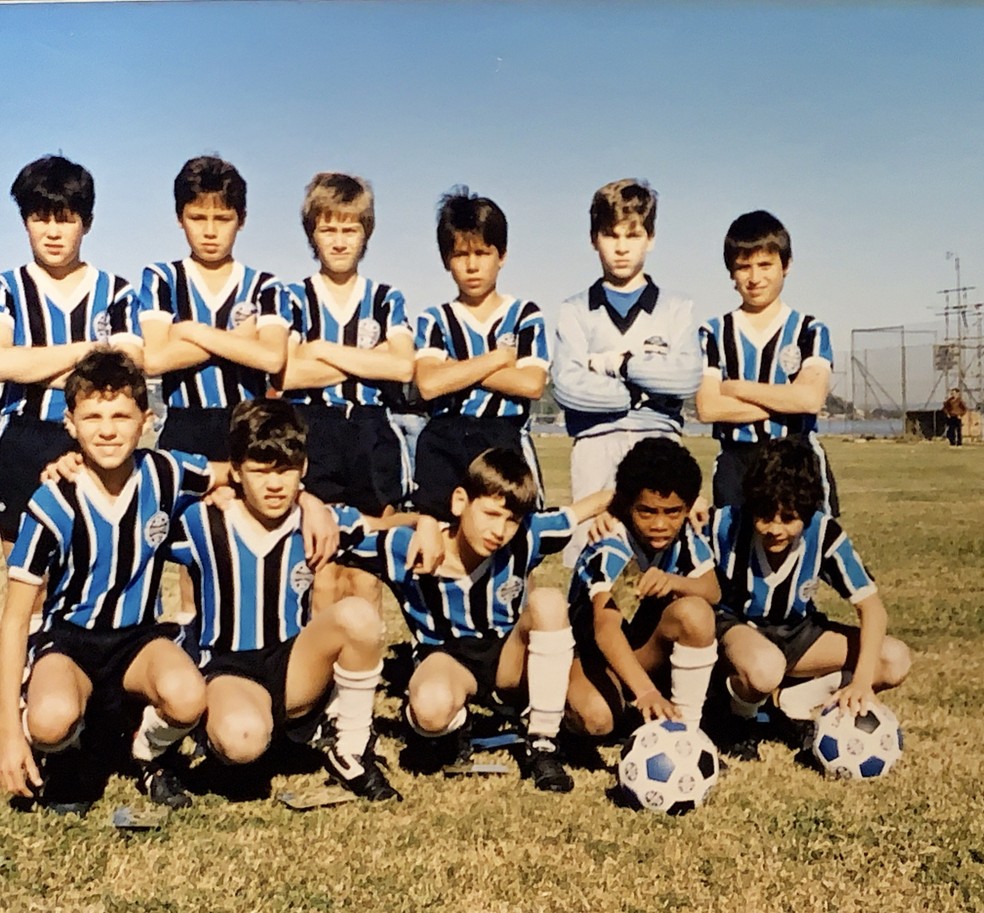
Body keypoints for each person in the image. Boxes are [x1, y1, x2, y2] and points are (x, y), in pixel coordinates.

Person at [0, 351, 211, 814]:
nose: (108, 429)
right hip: (70, 643)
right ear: (70, 424)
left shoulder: (167, 472)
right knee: (51, 720)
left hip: (137, 639)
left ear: (146, 420)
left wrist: (311, 503)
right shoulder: (52, 500)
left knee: (189, 696)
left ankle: (148, 753)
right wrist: (8, 736)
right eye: (93, 416)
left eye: (121, 415)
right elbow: (14, 621)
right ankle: (71, 750)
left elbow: (233, 474)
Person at [168, 400, 400, 800]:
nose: (275, 484)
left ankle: (351, 747)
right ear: (236, 470)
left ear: (304, 469)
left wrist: (428, 523)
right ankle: (217, 733)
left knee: (358, 616)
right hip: (228, 667)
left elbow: (388, 530)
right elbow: (147, 478)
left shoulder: (317, 522)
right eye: (259, 471)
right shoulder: (201, 519)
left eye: (286, 471)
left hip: (294, 668)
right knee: (242, 741)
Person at [341, 448, 611, 793]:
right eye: (490, 513)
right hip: (446, 658)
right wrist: (417, 519)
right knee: (430, 710)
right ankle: (458, 726)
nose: (499, 530)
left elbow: (592, 506)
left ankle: (542, 741)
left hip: (508, 658)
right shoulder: (407, 547)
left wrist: (650, 501)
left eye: (511, 519)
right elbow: (338, 529)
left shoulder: (528, 535)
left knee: (549, 603)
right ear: (459, 502)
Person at [709, 438, 911, 759]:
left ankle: (790, 704)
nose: (775, 529)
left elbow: (871, 608)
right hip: (737, 632)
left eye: (788, 518)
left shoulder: (824, 534)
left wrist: (861, 683)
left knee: (893, 659)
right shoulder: (725, 524)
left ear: (807, 511)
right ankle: (739, 719)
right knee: (765, 668)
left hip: (796, 635)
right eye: (764, 516)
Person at [279, 172, 414, 605]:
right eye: (328, 229)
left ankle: (362, 672)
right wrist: (363, 361)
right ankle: (321, 668)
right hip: (313, 428)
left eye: (350, 229)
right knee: (323, 563)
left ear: (365, 232)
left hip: (371, 432)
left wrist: (320, 350)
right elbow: (289, 375)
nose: (339, 241)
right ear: (312, 234)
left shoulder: (386, 298)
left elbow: (402, 366)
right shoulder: (293, 297)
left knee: (365, 571)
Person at [552, 179, 702, 566]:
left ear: (650, 238)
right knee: (595, 564)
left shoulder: (677, 307)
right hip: (595, 444)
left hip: (660, 442)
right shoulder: (574, 310)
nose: (621, 246)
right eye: (610, 234)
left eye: (632, 235)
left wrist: (619, 365)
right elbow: (568, 386)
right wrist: (635, 393)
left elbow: (685, 378)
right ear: (593, 239)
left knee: (664, 565)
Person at [0, 155, 142, 555]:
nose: (52, 232)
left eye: (64, 219)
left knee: (93, 559)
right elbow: (3, 363)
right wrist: (92, 350)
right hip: (24, 436)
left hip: (98, 438)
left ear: (87, 223)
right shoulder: (8, 288)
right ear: (25, 222)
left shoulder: (117, 291)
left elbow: (128, 366)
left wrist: (30, 366)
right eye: (39, 219)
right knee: (26, 571)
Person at [136, 155, 292, 462]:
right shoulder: (162, 278)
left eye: (222, 219)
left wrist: (192, 331)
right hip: (183, 424)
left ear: (241, 219)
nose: (209, 231)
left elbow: (272, 358)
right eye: (197, 217)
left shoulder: (265, 286)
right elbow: (155, 359)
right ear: (180, 217)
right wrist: (239, 339)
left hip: (249, 424)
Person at [566, 438, 718, 738]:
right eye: (646, 511)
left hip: (640, 650)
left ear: (687, 507)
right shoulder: (613, 544)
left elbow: (712, 590)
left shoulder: (685, 536)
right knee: (597, 720)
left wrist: (674, 582)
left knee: (696, 611)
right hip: (590, 655)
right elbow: (605, 628)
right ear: (626, 505)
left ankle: (686, 730)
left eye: (672, 512)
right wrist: (646, 692)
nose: (660, 523)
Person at [413, 187, 549, 522]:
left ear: (501, 255)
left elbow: (531, 384)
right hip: (444, 439)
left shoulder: (524, 314)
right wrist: (498, 358)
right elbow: (429, 385)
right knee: (443, 539)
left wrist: (455, 370)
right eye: (461, 255)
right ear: (447, 260)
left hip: (504, 437)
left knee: (513, 537)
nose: (472, 266)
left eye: (483, 253)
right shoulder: (434, 319)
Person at [696, 210, 839, 514]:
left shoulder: (809, 330)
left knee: (809, 554)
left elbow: (809, 399)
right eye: (743, 267)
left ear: (786, 265)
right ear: (731, 272)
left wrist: (734, 387)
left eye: (765, 265)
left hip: (796, 457)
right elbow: (708, 408)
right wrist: (784, 401)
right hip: (736, 462)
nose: (755, 277)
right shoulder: (714, 332)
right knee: (735, 555)